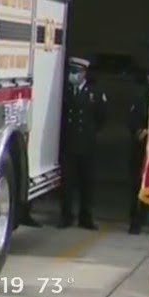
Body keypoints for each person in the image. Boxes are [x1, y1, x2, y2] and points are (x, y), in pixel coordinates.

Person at [59, 57, 107, 230]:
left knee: (88, 184)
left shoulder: (94, 92)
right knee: (67, 185)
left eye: (77, 72)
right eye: (71, 71)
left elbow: (101, 117)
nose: (73, 75)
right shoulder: (64, 92)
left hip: (87, 146)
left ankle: (86, 217)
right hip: (69, 145)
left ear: (84, 73)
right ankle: (66, 216)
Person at [127, 72, 149, 234]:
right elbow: (132, 122)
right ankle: (136, 220)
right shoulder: (140, 102)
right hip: (141, 152)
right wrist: (141, 132)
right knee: (138, 187)